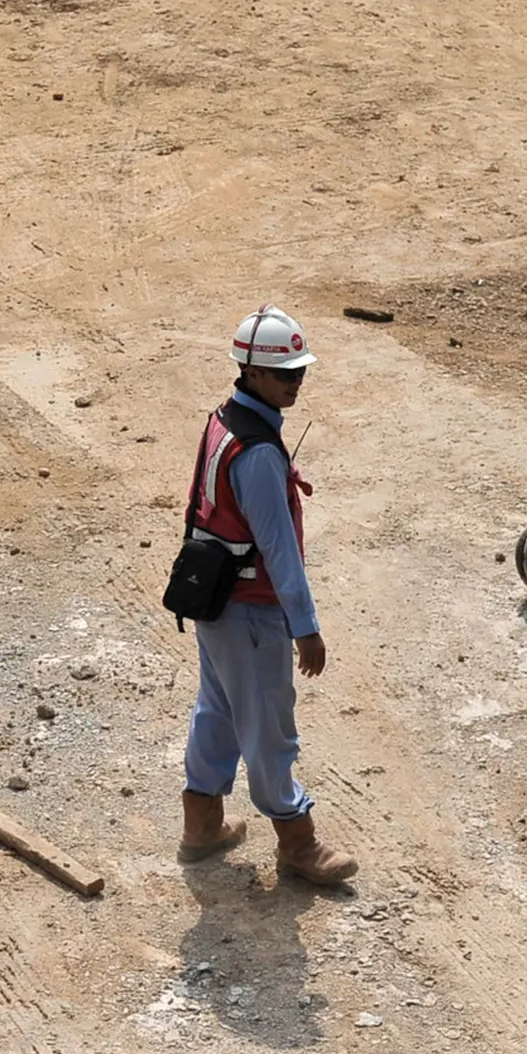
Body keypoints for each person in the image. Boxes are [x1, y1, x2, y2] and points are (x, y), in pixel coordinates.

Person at [174, 306, 357, 887]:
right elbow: (279, 551)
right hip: (252, 612)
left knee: (219, 710)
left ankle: (201, 825)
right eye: (286, 375)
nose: (295, 383)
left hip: (214, 603)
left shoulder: (224, 422)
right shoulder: (255, 453)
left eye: (300, 373)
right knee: (269, 728)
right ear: (251, 372)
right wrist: (305, 626)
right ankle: (297, 842)